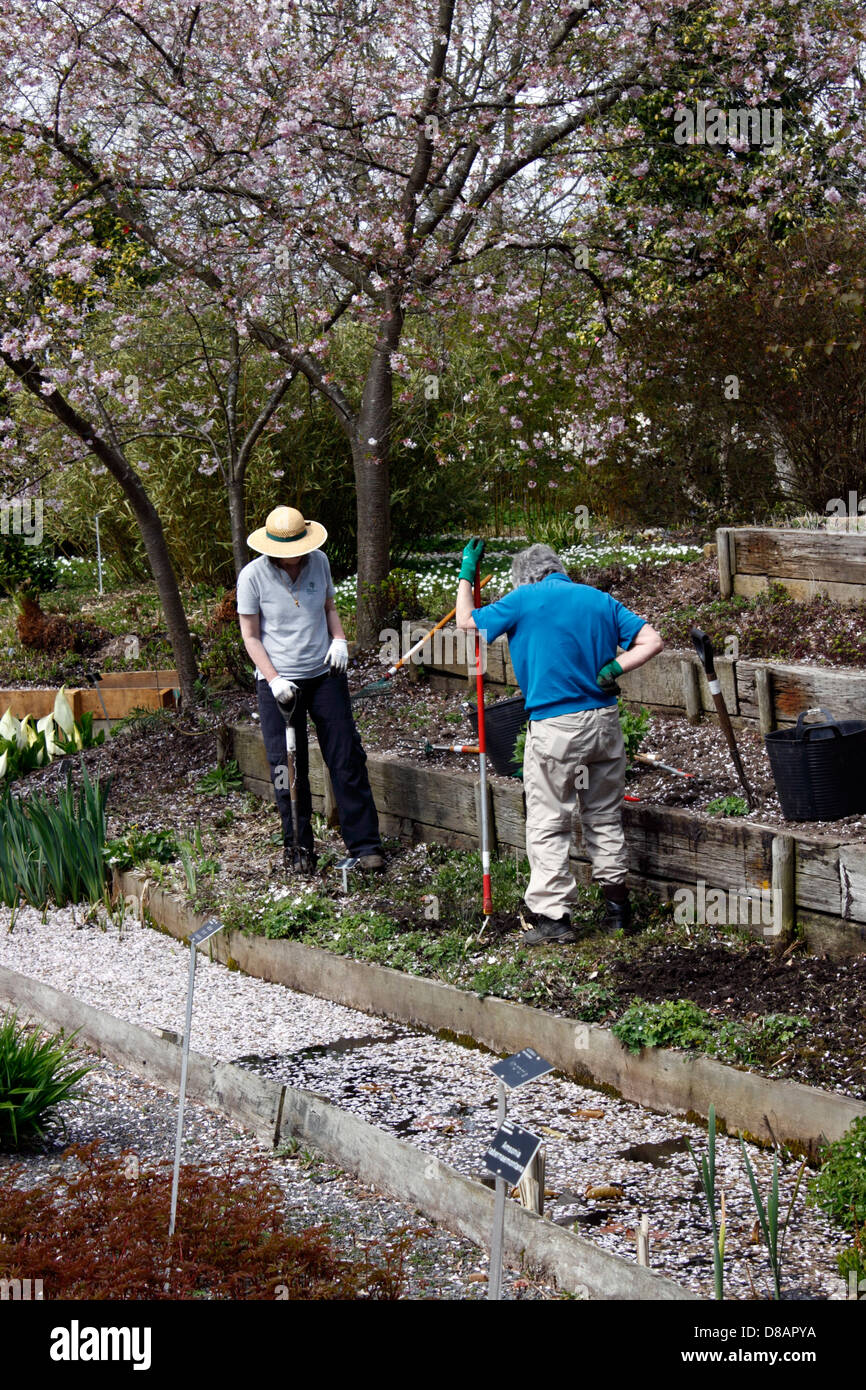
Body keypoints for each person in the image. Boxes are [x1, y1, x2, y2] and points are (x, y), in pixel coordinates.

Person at [456, 539, 663, 943]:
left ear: (525, 577)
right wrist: (614, 667)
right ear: (558, 568)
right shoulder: (599, 600)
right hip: (603, 723)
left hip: (556, 728)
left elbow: (467, 624)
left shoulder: (523, 599)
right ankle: (618, 910)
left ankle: (554, 920)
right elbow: (652, 641)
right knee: (603, 814)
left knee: (550, 819)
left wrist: (466, 574)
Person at [237, 505, 384, 874]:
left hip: (323, 675)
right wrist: (273, 679)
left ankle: (365, 845)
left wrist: (339, 639)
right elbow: (250, 637)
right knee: (286, 766)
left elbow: (329, 606)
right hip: (279, 682)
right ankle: (299, 848)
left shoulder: (318, 561)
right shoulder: (252, 577)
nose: (294, 557)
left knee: (346, 755)